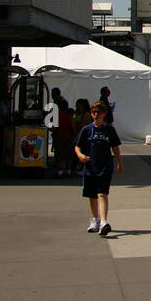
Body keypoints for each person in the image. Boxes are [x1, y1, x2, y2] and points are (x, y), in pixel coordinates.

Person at [76, 101, 122, 236]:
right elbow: (77, 146)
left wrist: (119, 162)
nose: (96, 115)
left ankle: (103, 221)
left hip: (105, 167)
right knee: (92, 195)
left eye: (99, 112)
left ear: (104, 114)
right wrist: (80, 155)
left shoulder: (109, 130)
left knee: (102, 193)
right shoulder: (86, 130)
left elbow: (115, 147)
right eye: (94, 112)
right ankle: (95, 219)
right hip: (90, 167)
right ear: (91, 113)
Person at [52, 96, 74, 177]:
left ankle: (60, 171)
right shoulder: (69, 116)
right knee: (68, 154)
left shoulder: (57, 117)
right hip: (69, 137)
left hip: (59, 137)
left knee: (60, 155)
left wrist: (49, 128)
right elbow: (73, 127)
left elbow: (54, 129)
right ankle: (68, 170)